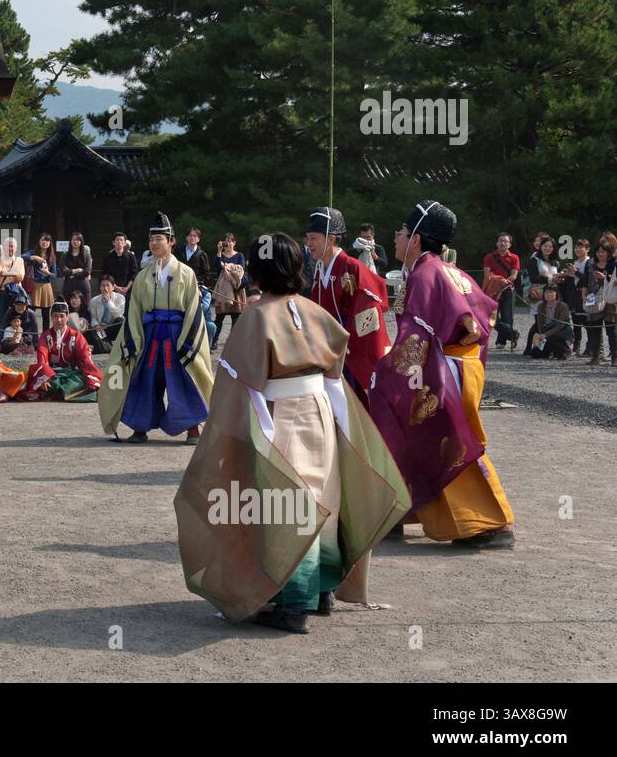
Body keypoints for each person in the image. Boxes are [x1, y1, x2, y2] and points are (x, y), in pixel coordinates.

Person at [174, 232, 409, 634]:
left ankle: (291, 601)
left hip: (276, 412)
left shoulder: (256, 316)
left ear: (258, 271)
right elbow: (336, 371)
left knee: (285, 501)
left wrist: (231, 437)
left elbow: (239, 382)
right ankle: (321, 590)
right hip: (319, 410)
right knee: (323, 496)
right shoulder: (313, 311)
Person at [369, 200, 515, 549]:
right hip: (461, 365)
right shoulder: (453, 271)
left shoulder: (424, 274)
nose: (396, 238)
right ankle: (398, 510)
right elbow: (484, 317)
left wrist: (389, 370)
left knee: (446, 443)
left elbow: (417, 337)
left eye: (402, 233)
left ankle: (486, 523)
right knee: (412, 435)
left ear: (416, 239)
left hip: (443, 370)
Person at [99, 213, 213, 443]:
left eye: (160, 239)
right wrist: (133, 340)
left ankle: (192, 428)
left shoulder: (186, 273)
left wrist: (188, 341)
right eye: (152, 240)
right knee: (144, 378)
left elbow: (193, 310)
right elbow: (134, 311)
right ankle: (140, 427)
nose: (154, 243)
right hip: (150, 336)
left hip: (177, 334)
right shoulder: (142, 276)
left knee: (183, 379)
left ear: (171, 241)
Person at [305, 206, 391, 404]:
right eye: (308, 239)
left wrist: (350, 343)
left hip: (350, 347)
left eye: (313, 238)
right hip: (328, 349)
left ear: (331, 239)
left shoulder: (351, 267)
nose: (309, 244)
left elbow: (370, 310)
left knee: (354, 405)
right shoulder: (320, 268)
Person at [19, 300, 101, 402]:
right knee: (50, 384)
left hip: (72, 373)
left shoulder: (76, 335)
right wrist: (44, 378)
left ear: (67, 317)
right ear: (51, 317)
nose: (59, 320)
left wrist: (90, 376)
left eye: (62, 316)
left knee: (81, 381)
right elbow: (42, 357)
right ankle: (65, 392)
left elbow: (85, 358)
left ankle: (61, 392)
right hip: (52, 374)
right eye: (55, 316)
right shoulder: (45, 336)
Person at [483, 233, 520, 350]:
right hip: (493, 289)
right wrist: (499, 281)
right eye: (500, 241)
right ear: (496, 243)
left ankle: (501, 341)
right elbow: (487, 274)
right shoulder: (489, 257)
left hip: (508, 289)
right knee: (491, 316)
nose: (503, 243)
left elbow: (514, 275)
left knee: (507, 316)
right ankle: (513, 333)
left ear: (510, 244)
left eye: (505, 241)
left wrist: (505, 282)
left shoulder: (514, 257)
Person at [556, 238, 591, 356]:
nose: (577, 249)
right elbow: (573, 279)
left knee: (587, 322)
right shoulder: (576, 262)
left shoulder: (589, 262)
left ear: (587, 249)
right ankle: (576, 347)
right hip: (574, 295)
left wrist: (575, 272)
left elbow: (587, 279)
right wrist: (565, 275)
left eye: (580, 247)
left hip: (585, 294)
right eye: (576, 247)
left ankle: (591, 347)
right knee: (576, 322)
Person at [212, 233, 248, 346]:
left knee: (235, 318)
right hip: (223, 290)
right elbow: (217, 268)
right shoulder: (220, 255)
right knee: (219, 318)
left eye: (230, 241)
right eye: (225, 241)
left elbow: (240, 270)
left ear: (234, 242)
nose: (228, 243)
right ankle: (214, 341)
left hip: (236, 290)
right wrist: (219, 251)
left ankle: (233, 343)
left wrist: (225, 266)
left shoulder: (240, 255)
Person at [585, 243, 617, 366]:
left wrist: (604, 278)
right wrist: (584, 293)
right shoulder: (591, 264)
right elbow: (584, 280)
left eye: (603, 252)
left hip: (610, 299)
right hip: (594, 298)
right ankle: (595, 356)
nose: (600, 254)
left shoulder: (612, 264)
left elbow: (612, 280)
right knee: (594, 329)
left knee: (611, 329)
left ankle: (615, 357)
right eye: (598, 251)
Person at [0, 236, 26, 332]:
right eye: (7, 246)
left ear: (16, 248)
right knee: (2, 320)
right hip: (2, 293)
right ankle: (1, 342)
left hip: (16, 294)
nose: (10, 248)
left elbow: (20, 278)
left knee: (17, 319)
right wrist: (14, 273)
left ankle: (16, 341)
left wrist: (6, 273)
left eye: (12, 246)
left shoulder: (20, 260)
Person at [22, 233, 56, 330]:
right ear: (39, 241)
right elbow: (21, 256)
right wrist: (35, 257)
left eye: (47, 240)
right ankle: (29, 336)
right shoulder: (32, 252)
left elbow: (55, 275)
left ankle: (45, 336)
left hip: (46, 286)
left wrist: (48, 273)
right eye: (43, 240)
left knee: (46, 315)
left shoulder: (52, 256)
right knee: (30, 313)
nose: (45, 242)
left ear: (50, 243)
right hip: (34, 286)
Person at [528, 285, 572, 359]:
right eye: (546, 292)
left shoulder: (563, 306)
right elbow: (540, 323)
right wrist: (540, 336)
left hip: (560, 332)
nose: (548, 294)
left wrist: (546, 334)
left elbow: (560, 325)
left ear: (556, 294)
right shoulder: (541, 306)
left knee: (554, 342)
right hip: (545, 330)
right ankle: (548, 350)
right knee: (535, 354)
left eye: (551, 292)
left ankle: (565, 350)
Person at [87, 274, 126, 354]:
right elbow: (93, 318)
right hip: (101, 328)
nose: (105, 288)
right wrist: (97, 325)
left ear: (113, 287)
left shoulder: (120, 298)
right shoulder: (94, 301)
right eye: (102, 286)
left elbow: (118, 314)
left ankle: (104, 344)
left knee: (120, 320)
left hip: (113, 327)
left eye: (108, 285)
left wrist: (109, 302)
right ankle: (106, 345)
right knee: (92, 330)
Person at [59, 232, 94, 307]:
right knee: (69, 309)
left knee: (85, 308)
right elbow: (62, 270)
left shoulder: (86, 254)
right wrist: (76, 270)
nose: (75, 242)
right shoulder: (65, 255)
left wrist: (71, 274)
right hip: (69, 285)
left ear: (81, 242)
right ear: (70, 241)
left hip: (83, 285)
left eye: (78, 240)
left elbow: (87, 271)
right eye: (73, 239)